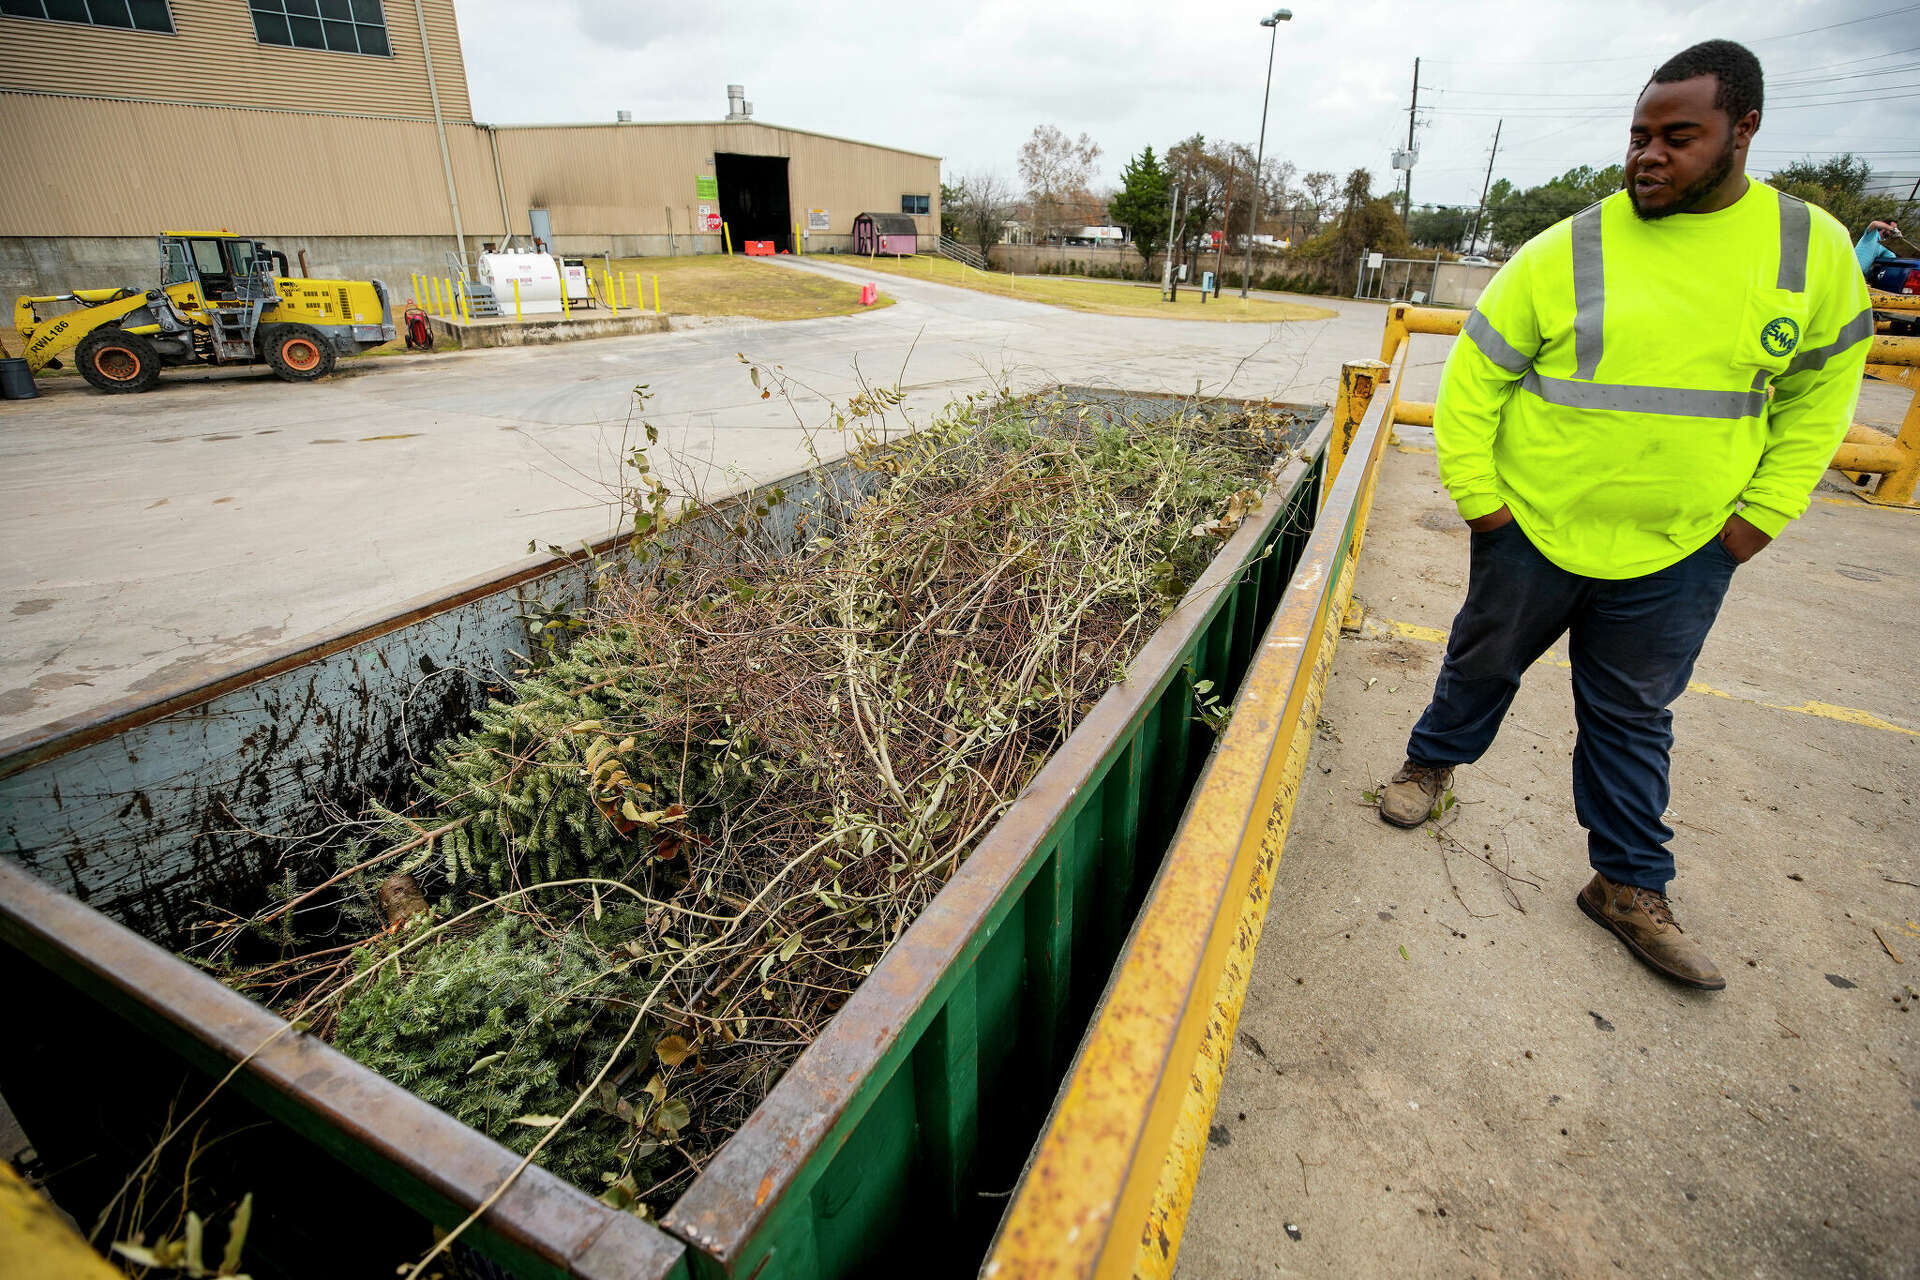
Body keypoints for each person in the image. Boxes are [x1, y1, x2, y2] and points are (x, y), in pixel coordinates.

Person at [1374, 40, 1872, 990]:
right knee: (1483, 659)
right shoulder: (1572, 246)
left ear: (1744, 130)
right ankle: (1427, 769)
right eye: (1639, 135)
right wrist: (1485, 510)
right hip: (1534, 530)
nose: (1648, 155)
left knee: (1634, 713)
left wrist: (1756, 520)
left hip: (1684, 547)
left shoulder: (1812, 253)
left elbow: (1819, 401)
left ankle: (1628, 884)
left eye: (1677, 137)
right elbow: (1476, 380)